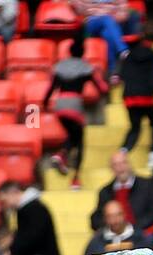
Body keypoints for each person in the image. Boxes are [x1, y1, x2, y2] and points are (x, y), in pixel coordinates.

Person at [47, 34, 110, 189]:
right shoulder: (86, 67)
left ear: (69, 52)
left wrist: (42, 105)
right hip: (75, 105)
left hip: (59, 105)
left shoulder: (59, 66)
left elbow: (50, 90)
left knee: (72, 135)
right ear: (83, 53)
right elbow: (102, 88)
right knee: (81, 142)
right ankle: (75, 179)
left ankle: (61, 155)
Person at [116, 24, 153, 154]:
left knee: (135, 128)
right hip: (146, 98)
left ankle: (122, 152)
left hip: (129, 97)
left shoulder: (129, 54)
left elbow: (122, 75)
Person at [0, 180, 63, 255]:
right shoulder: (28, 210)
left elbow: (31, 237)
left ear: (13, 193)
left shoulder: (34, 209)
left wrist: (12, 248)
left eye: (4, 201)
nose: (4, 206)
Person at [90, 149, 153, 232]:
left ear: (130, 164)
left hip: (144, 232)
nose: (120, 167)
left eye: (123, 163)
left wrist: (133, 229)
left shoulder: (149, 185)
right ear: (111, 169)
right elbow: (98, 218)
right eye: (116, 165)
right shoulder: (105, 192)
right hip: (115, 234)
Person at [85, 200, 149, 254]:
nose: (114, 221)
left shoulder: (140, 237)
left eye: (118, 215)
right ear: (104, 219)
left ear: (124, 214)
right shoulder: (97, 240)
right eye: (110, 217)